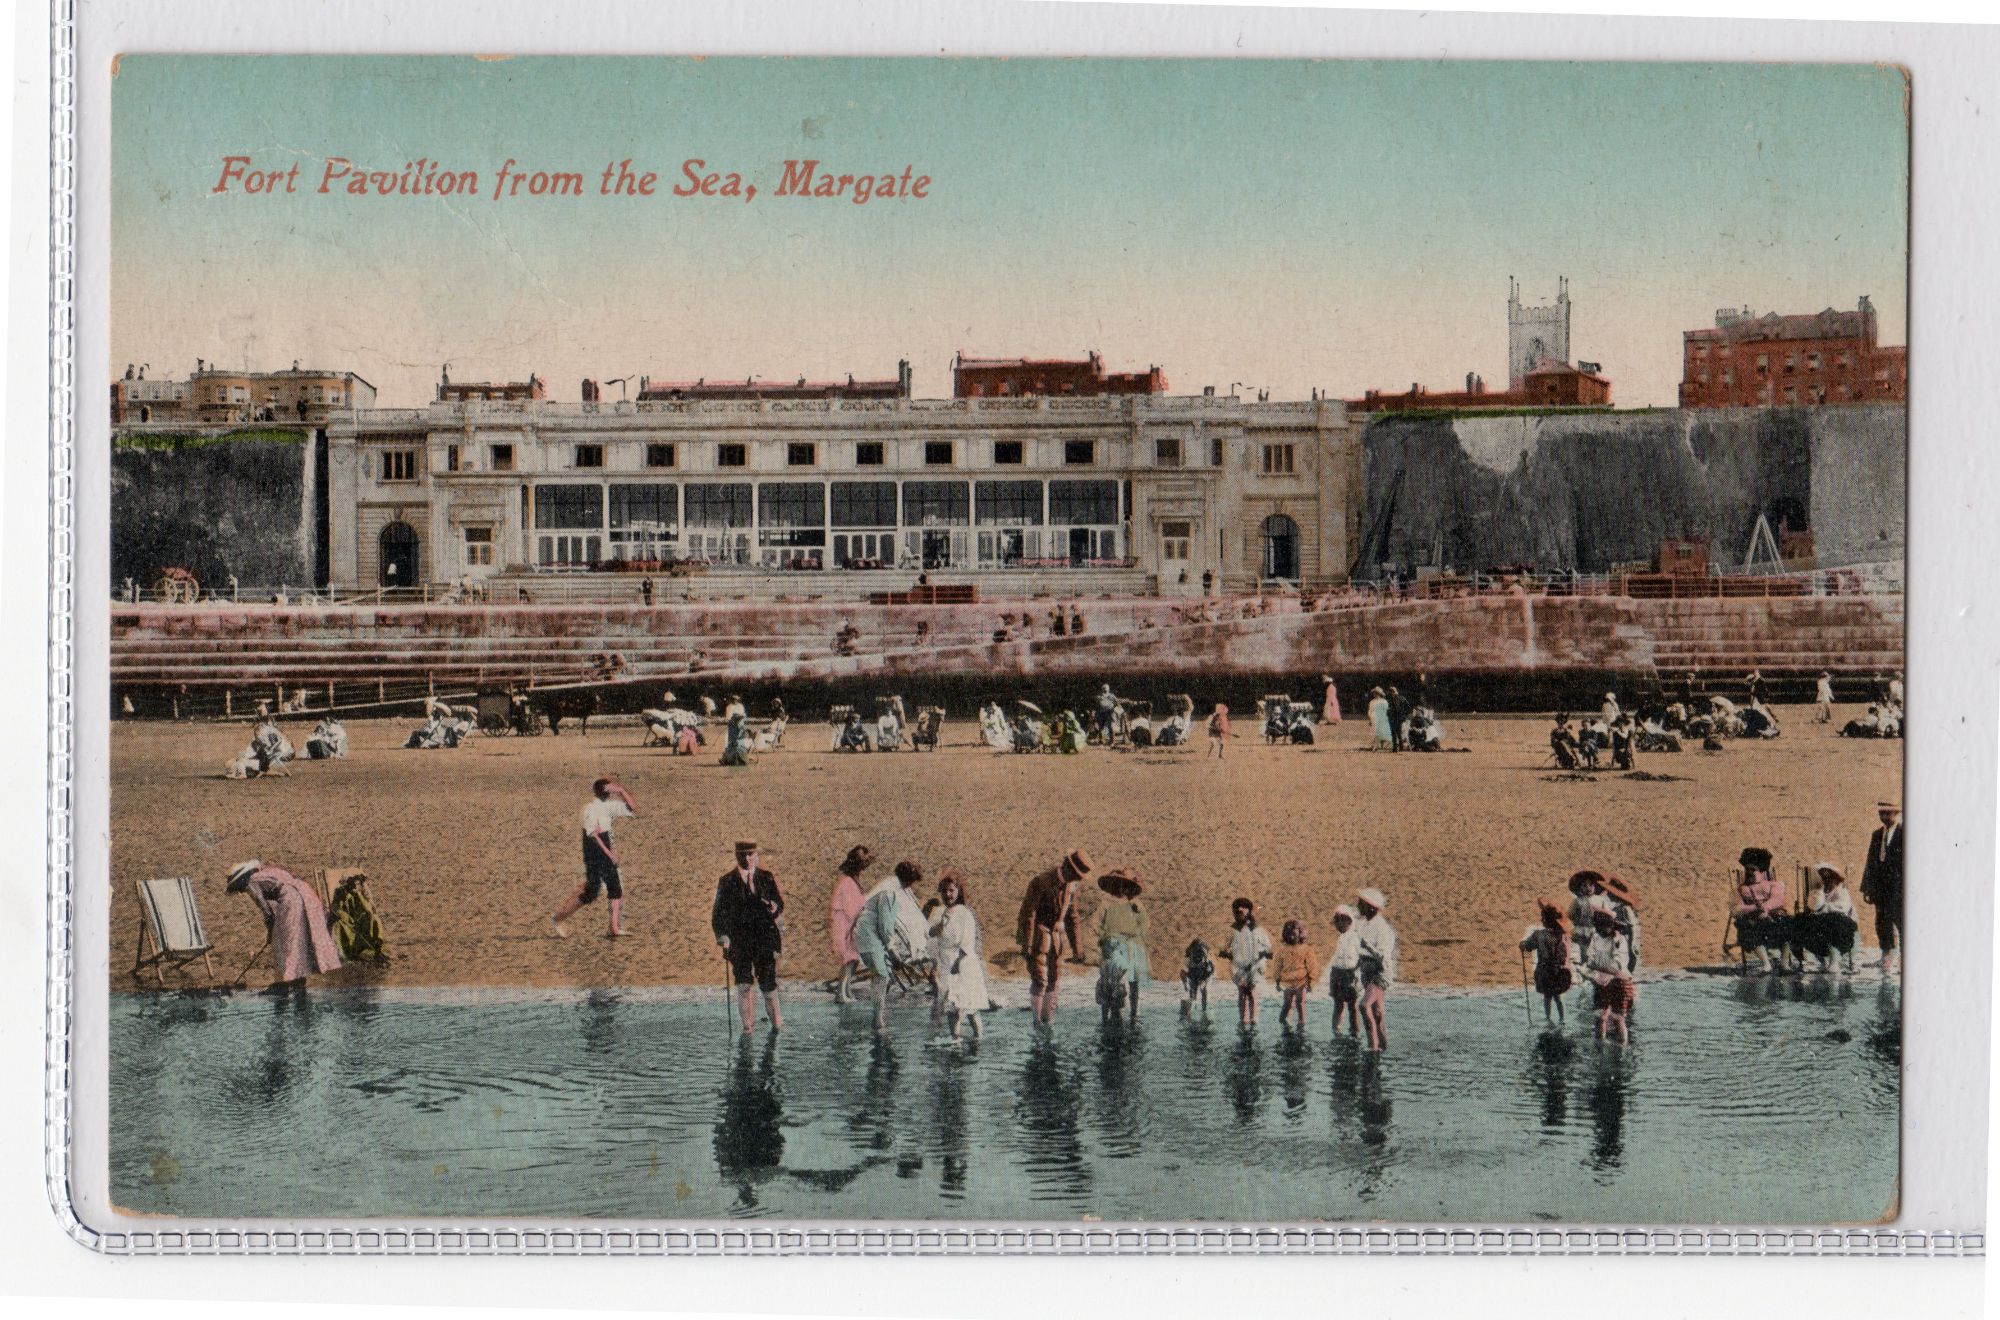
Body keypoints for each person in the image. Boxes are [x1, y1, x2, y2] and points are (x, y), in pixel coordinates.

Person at [226, 860, 343, 985]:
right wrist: (272, 930)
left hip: (291, 900)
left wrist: (270, 931)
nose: (241, 891)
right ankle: (297, 979)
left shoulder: (251, 883)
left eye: (238, 887)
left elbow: (267, 910)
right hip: (305, 895)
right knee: (298, 939)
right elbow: (274, 905)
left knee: (287, 942)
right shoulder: (266, 873)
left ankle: (288, 982)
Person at [712, 841, 786, 1035]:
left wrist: (775, 907)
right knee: (744, 985)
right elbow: (718, 914)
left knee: (768, 986)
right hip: (739, 942)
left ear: (756, 855)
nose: (747, 858)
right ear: (736, 856)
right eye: (742, 855)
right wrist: (722, 936)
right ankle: (748, 1030)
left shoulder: (766, 877)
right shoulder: (727, 881)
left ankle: (777, 1026)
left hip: (764, 939)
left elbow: (779, 903)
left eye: (750, 854)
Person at [552, 777, 639, 938]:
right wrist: (610, 854)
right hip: (593, 851)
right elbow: (593, 835)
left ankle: (613, 928)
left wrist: (622, 791)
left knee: (612, 888)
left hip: (602, 848)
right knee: (593, 891)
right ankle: (558, 919)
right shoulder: (590, 809)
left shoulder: (608, 807)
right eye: (610, 789)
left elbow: (632, 807)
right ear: (605, 791)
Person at [1016, 850, 1091, 1025]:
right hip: (1039, 936)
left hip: (1056, 937)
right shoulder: (1041, 882)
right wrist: (1027, 945)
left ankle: (1047, 1021)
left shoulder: (1072, 888)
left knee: (1054, 978)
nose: (1077, 879)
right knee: (1040, 979)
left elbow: (1072, 918)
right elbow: (1029, 914)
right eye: (1075, 874)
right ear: (1066, 867)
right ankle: (1037, 1022)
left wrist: (1078, 950)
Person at [857, 858, 929, 1033]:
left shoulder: (891, 886)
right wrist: (892, 949)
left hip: (871, 932)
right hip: (868, 933)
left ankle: (879, 1015)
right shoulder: (890, 892)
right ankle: (878, 1020)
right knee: (882, 974)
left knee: (884, 974)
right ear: (910, 880)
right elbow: (885, 924)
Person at [932, 871, 989, 1041]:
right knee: (953, 1008)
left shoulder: (964, 912)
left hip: (962, 964)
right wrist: (937, 928)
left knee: (969, 1007)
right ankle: (955, 1038)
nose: (947, 895)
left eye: (951, 890)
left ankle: (978, 1038)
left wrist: (958, 962)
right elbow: (934, 934)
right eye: (944, 891)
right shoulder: (945, 912)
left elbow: (967, 940)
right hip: (947, 963)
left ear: (958, 892)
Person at [1095, 869, 1150, 1024]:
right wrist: (1103, 938)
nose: (1119, 888)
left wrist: (1135, 933)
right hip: (1112, 946)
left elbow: (1145, 923)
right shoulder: (1105, 904)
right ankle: (1110, 1014)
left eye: (1122, 885)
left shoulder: (1135, 904)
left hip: (1131, 945)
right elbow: (1097, 924)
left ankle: (1134, 1012)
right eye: (1116, 885)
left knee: (1133, 980)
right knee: (1110, 978)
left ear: (1126, 887)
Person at [1732, 846, 1792, 974]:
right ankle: (1766, 964)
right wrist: (1754, 908)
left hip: (1774, 920)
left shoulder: (1773, 885)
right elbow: (1736, 909)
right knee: (1747, 929)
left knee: (1789, 926)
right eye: (1747, 869)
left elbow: (1778, 899)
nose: (1749, 872)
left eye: (1753, 869)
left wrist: (1765, 908)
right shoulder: (1741, 889)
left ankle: (1784, 964)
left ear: (1762, 871)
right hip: (1754, 921)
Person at [1859, 801, 1903, 974]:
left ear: (1896, 814)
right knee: (1882, 922)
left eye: (1888, 813)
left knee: (1900, 921)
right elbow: (1870, 862)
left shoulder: (1904, 834)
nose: (1884, 816)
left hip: (1898, 888)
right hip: (1880, 888)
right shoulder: (1877, 835)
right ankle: (1886, 957)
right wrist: (1867, 887)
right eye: (1881, 813)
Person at [1793, 861, 1859, 973]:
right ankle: (1820, 960)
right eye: (1824, 878)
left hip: (1839, 922)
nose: (1827, 881)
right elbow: (1813, 906)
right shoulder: (1815, 892)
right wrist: (1820, 892)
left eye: (1830, 878)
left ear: (1836, 879)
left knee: (1834, 922)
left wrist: (1824, 908)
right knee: (1802, 921)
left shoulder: (1842, 892)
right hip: (1821, 922)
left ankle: (1834, 962)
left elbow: (1842, 908)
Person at [828, 844, 874, 1003]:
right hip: (846, 925)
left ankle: (847, 990)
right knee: (848, 959)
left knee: (854, 959)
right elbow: (850, 908)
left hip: (853, 924)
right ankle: (841, 993)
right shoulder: (847, 882)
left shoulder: (853, 882)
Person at [1581, 908, 1633, 1044]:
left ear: (1610, 926)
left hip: (1619, 983)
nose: (1599, 930)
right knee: (1601, 1017)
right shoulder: (1596, 938)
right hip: (1601, 982)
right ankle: (1601, 1044)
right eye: (1597, 927)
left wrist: (1597, 967)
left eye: (1602, 927)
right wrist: (1595, 970)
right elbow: (1590, 960)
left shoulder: (1619, 941)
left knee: (1618, 1018)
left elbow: (1618, 965)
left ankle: (1623, 1046)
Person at [1353, 888, 1396, 1051]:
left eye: (1361, 903)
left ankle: (1373, 1047)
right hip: (1367, 971)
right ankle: (1383, 1046)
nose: (1358, 906)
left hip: (1379, 972)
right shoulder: (1365, 924)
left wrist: (1367, 946)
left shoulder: (1383, 928)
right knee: (1377, 1012)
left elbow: (1383, 956)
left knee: (1364, 1006)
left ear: (1371, 907)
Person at [1520, 901, 1573, 1025]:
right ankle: (1562, 1019)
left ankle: (1548, 1019)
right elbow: (1565, 955)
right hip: (1558, 970)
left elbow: (1527, 946)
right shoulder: (1562, 935)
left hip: (1544, 970)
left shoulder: (1539, 935)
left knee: (1547, 996)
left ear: (1545, 920)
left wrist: (1522, 945)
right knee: (1558, 996)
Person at [1222, 897, 1272, 1028]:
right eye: (1236, 912)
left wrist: (1263, 953)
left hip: (1255, 965)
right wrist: (1225, 953)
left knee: (1252, 991)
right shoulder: (1232, 930)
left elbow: (1267, 947)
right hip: (1239, 966)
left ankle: (1254, 1018)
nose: (1238, 913)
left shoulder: (1257, 929)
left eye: (1241, 910)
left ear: (1249, 911)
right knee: (1242, 992)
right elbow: (1225, 947)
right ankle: (1243, 1018)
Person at [1274, 919, 1319, 1031]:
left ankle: (1301, 1023)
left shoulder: (1306, 949)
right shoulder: (1282, 950)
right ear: (1285, 935)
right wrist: (1277, 981)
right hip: (1287, 982)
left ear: (1300, 934)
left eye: (1294, 934)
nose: (1291, 937)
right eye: (1289, 934)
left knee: (1300, 1002)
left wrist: (1311, 982)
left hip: (1301, 981)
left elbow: (1312, 966)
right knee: (1287, 1003)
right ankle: (1281, 1022)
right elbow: (1277, 967)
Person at [1326, 905, 1361, 1035]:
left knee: (1352, 1005)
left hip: (1350, 973)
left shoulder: (1355, 938)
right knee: (1338, 1004)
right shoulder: (1339, 938)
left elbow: (1361, 956)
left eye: (1343, 921)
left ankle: (1354, 1031)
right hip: (1337, 972)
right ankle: (1336, 1030)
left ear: (1350, 922)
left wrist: (1356, 972)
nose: (1339, 924)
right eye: (1337, 921)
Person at [1565, 870, 1611, 967]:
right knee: (1584, 951)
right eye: (1585, 885)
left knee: (1597, 952)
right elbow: (1570, 914)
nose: (1588, 888)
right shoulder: (1577, 901)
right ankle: (1584, 965)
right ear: (1580, 887)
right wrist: (1578, 918)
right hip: (1581, 930)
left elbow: (1607, 914)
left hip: (1596, 930)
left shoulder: (1600, 900)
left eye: (1591, 885)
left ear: (1595, 886)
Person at [1387, 686, 1412, 752]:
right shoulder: (1402, 698)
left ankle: (1395, 748)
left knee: (1394, 733)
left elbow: (1396, 708)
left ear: (1392, 692)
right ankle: (1400, 747)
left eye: (1391, 692)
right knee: (1398, 733)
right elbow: (1408, 708)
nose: (1390, 694)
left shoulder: (1392, 699)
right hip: (1399, 718)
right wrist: (1404, 716)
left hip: (1395, 718)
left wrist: (1390, 713)